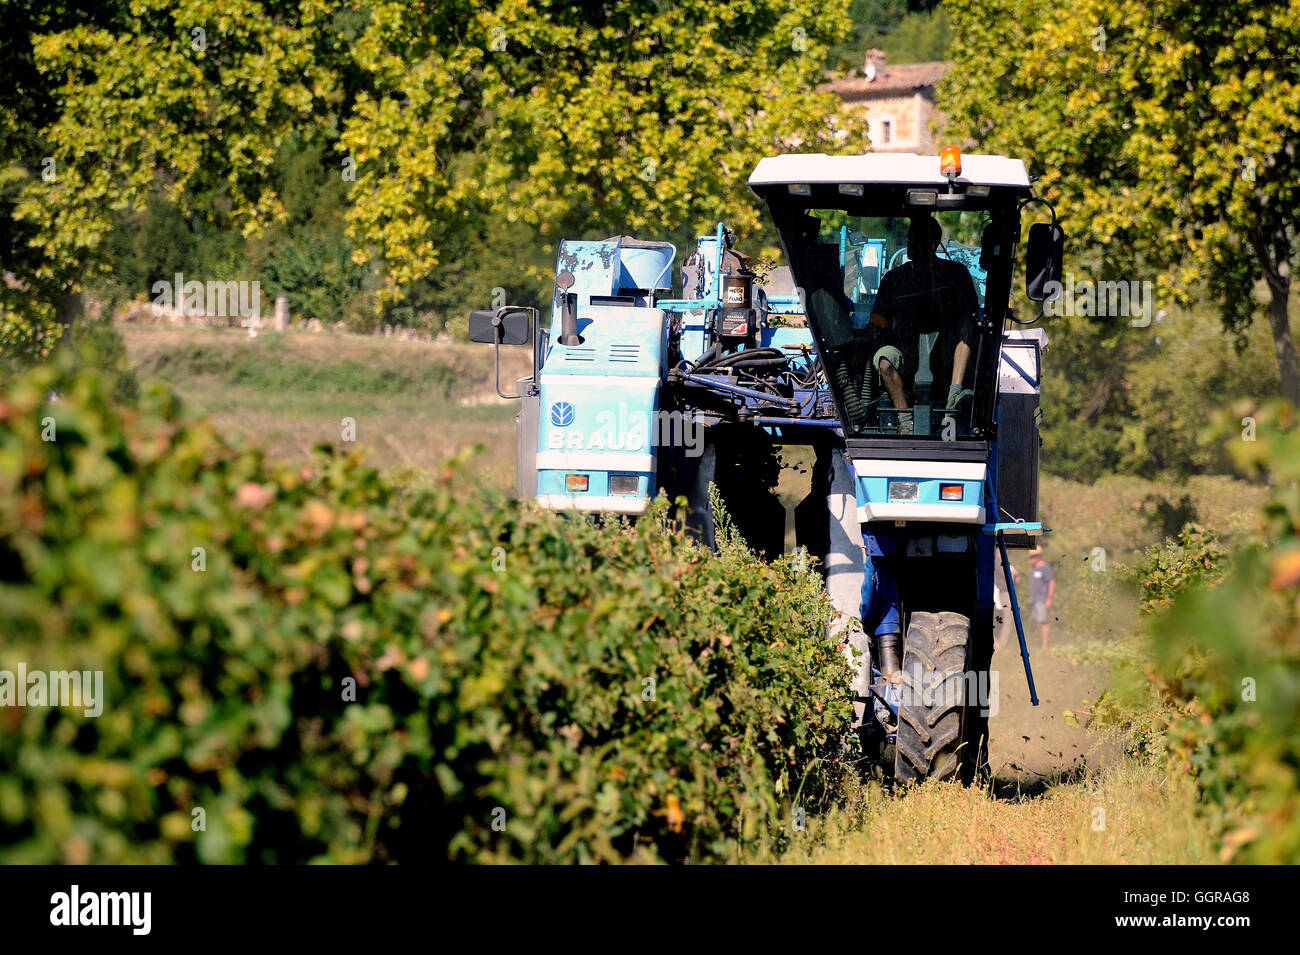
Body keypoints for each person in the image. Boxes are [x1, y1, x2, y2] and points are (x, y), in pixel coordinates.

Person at [867, 215, 980, 434]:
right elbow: (878, 318)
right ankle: (905, 420)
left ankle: (954, 396)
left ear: (932, 244)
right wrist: (875, 328)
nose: (909, 244)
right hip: (907, 356)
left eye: (915, 240)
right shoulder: (894, 278)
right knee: (884, 359)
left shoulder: (956, 274)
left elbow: (973, 316)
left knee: (968, 325)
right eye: (909, 239)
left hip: (946, 357)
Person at [1028, 546, 1055, 651]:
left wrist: (1049, 598)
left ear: (1038, 556)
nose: (1031, 559)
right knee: (1038, 622)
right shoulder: (1034, 569)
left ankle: (1045, 646)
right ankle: (1043, 644)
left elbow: (1051, 582)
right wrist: (1031, 597)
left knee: (1043, 621)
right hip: (1035, 601)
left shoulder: (1045, 567)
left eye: (1033, 556)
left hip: (1042, 599)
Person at [993, 554, 1020, 652]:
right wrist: (1014, 575)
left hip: (1004, 592)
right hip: (1004, 592)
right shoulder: (997, 561)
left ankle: (1000, 644)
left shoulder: (1000, 561)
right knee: (1007, 619)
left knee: (1003, 619)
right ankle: (1002, 645)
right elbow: (1010, 576)